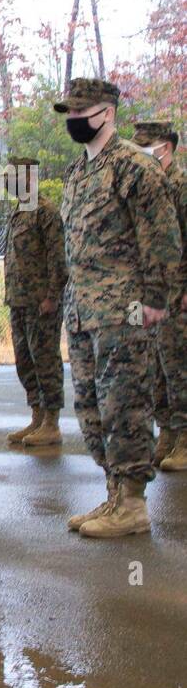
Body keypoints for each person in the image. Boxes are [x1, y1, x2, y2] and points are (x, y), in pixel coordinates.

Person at [55, 80, 180, 538]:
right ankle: (113, 493)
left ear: (106, 113)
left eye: (80, 111)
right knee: (91, 405)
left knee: (124, 402)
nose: (72, 119)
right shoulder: (78, 173)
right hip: (84, 310)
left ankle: (132, 504)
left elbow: (163, 238)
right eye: (67, 111)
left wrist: (154, 300)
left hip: (124, 309)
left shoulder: (134, 167)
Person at [131, 121, 187, 472]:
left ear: (165, 147)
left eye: (146, 146)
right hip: (152, 292)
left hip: (178, 291)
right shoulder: (150, 185)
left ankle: (184, 436)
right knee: (157, 368)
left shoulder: (181, 185)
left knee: (179, 366)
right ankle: (167, 432)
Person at [3, 156, 66, 447]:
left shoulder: (46, 211)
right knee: (25, 361)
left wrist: (52, 296)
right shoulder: (19, 211)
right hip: (19, 300)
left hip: (41, 302)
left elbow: (58, 259)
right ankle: (37, 417)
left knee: (45, 360)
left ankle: (51, 423)